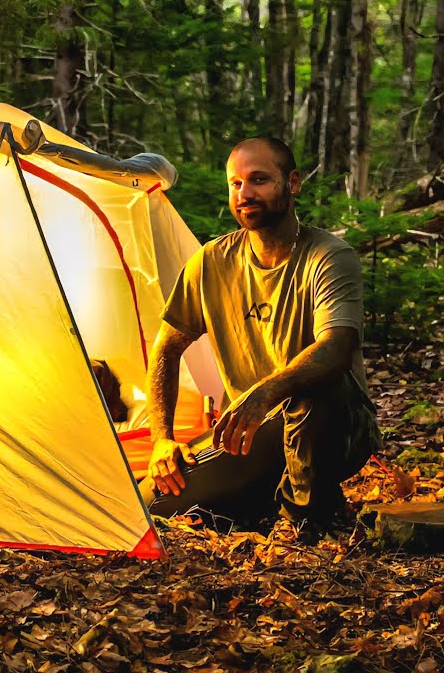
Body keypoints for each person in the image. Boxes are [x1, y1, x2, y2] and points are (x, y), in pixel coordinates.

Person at [141, 136, 379, 531]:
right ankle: (260, 496)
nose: (245, 193)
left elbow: (336, 349)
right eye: (235, 183)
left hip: (339, 426)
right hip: (250, 432)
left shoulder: (329, 256)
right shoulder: (212, 262)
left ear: (293, 183)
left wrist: (265, 391)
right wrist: (161, 439)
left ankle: (300, 523)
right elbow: (166, 348)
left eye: (259, 180)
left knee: (314, 388)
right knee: (151, 503)